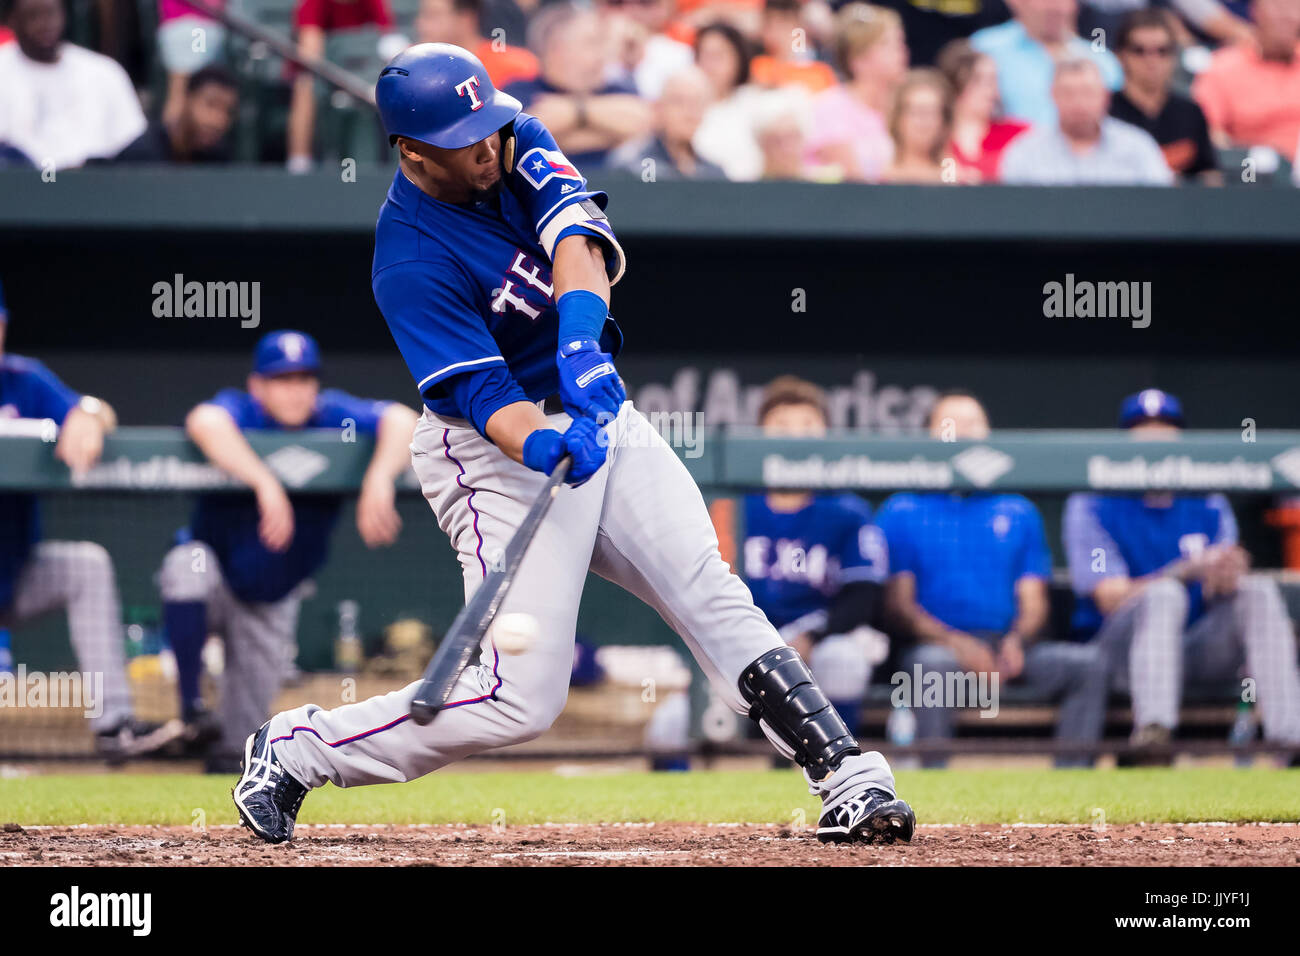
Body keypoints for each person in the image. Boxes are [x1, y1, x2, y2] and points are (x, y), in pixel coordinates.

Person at [231, 43, 915, 847]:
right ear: (413, 153)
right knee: (518, 698)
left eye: (486, 129)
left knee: (706, 584)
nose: (487, 150)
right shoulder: (408, 258)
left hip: (593, 407)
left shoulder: (512, 133)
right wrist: (543, 438)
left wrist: (583, 350)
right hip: (491, 449)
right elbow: (486, 398)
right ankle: (298, 748)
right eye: (465, 143)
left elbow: (577, 244)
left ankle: (846, 777)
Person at [159, 330, 418, 773]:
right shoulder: (241, 409)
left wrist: (379, 476)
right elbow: (203, 421)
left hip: (272, 600)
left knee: (234, 749)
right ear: (258, 385)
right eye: (282, 379)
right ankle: (191, 706)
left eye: (303, 379)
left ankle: (211, 829)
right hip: (216, 580)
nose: (295, 390)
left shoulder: (334, 414)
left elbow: (403, 418)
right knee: (186, 566)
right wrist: (265, 483)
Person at [876, 391, 1108, 768]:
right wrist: (960, 646)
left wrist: (1016, 642)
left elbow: (1034, 601)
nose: (965, 434)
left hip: (1009, 652)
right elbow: (900, 606)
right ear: (929, 437)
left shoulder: (1018, 509)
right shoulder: (902, 508)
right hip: (940, 650)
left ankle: (1073, 788)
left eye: (974, 425)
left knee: (1088, 665)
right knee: (930, 666)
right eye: (952, 426)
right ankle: (932, 793)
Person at [1065, 389, 1300, 760]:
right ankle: (1154, 737)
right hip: (1121, 656)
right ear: (1124, 441)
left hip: (1194, 650)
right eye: (1143, 429)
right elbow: (1108, 597)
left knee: (1256, 590)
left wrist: (1227, 571)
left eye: (1166, 428)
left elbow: (1223, 581)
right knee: (1165, 594)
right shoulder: (1092, 502)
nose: (1156, 437)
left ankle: (1290, 740)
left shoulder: (1207, 500)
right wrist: (1183, 571)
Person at [0, 280, 166, 762]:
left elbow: (99, 411)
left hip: (16, 572)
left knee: (86, 566)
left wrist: (86, 414)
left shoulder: (23, 380)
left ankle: (115, 725)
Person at [742, 377, 890, 732]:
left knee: (843, 660)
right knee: (672, 721)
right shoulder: (734, 505)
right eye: (781, 426)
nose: (794, 436)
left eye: (807, 426)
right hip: (744, 639)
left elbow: (862, 596)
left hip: (818, 640)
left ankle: (841, 763)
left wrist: (810, 639)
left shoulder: (847, 510)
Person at [0, 0, 146, 169]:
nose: (44, 24)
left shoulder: (104, 71)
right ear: (12, 20)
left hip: (96, 185)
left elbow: (132, 144)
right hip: (19, 186)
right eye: (33, 16)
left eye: (50, 14)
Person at [505, 3, 652, 169]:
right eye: (591, 43)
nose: (602, 54)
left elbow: (643, 124)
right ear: (556, 49)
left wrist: (576, 111)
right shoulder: (517, 92)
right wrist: (611, 134)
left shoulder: (616, 89)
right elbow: (519, 139)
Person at [999, 57, 1173, 184]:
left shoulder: (1138, 146)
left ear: (1105, 97)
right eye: (1068, 93)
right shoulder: (1025, 151)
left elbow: (1161, 205)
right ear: (1052, 95)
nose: (1078, 102)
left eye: (1087, 93)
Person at [969, 0, 1122, 126]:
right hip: (1002, 154)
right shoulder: (984, 48)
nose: (1056, 7)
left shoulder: (1102, 60)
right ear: (1017, 2)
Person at [1110, 9, 1219, 184]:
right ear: (1120, 55)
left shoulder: (1190, 112)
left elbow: (1210, 176)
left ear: (1174, 56)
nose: (1151, 60)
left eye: (1162, 51)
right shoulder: (1105, 110)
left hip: (1182, 207)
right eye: (1139, 50)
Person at [286, 0, 395, 172]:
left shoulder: (374, 3)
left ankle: (402, 165)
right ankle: (299, 162)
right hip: (326, 77)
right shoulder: (314, 4)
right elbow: (310, 58)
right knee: (305, 85)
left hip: (365, 77)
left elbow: (387, 45)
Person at [804, 3, 906, 182]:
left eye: (900, 42)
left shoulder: (906, 106)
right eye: (888, 44)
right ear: (857, 59)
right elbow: (854, 178)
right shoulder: (830, 107)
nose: (902, 52)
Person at [1192, 0, 1300, 157]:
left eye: (1294, 8)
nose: (1286, 16)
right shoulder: (1223, 67)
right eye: (1278, 7)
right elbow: (1209, 132)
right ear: (1255, 11)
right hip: (1254, 170)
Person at [611, 65, 728, 178]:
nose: (690, 113)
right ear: (660, 108)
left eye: (698, 103)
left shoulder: (714, 173)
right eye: (679, 102)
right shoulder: (635, 167)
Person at [936, 39, 1028, 183]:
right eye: (977, 80)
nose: (990, 90)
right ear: (953, 84)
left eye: (993, 80)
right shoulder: (934, 138)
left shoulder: (1019, 135)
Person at [113, 65, 238, 164]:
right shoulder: (141, 155)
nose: (218, 120)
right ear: (186, 99)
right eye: (210, 104)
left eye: (228, 111)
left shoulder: (218, 159)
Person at [691, 20, 766, 180]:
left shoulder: (754, 102)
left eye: (717, 56)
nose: (708, 65)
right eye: (702, 55)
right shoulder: (684, 108)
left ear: (738, 59)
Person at [414, 0, 538, 88]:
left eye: (432, 15)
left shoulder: (515, 65)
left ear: (466, 18)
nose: (421, 24)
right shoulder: (411, 63)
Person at [597, 0, 694, 99]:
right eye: (618, 2)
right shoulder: (597, 46)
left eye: (644, 2)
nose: (631, 9)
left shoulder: (679, 54)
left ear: (664, 9)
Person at [155, 0, 228, 127]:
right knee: (182, 96)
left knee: (191, 95)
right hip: (194, 29)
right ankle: (171, 143)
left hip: (197, 27)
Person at [881, 67, 959, 183]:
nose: (925, 121)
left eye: (932, 112)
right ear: (898, 117)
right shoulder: (882, 174)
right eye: (917, 111)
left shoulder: (952, 173)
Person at [750, 0, 836, 92]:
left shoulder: (822, 70)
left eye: (784, 25)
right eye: (771, 25)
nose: (778, 34)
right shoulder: (759, 67)